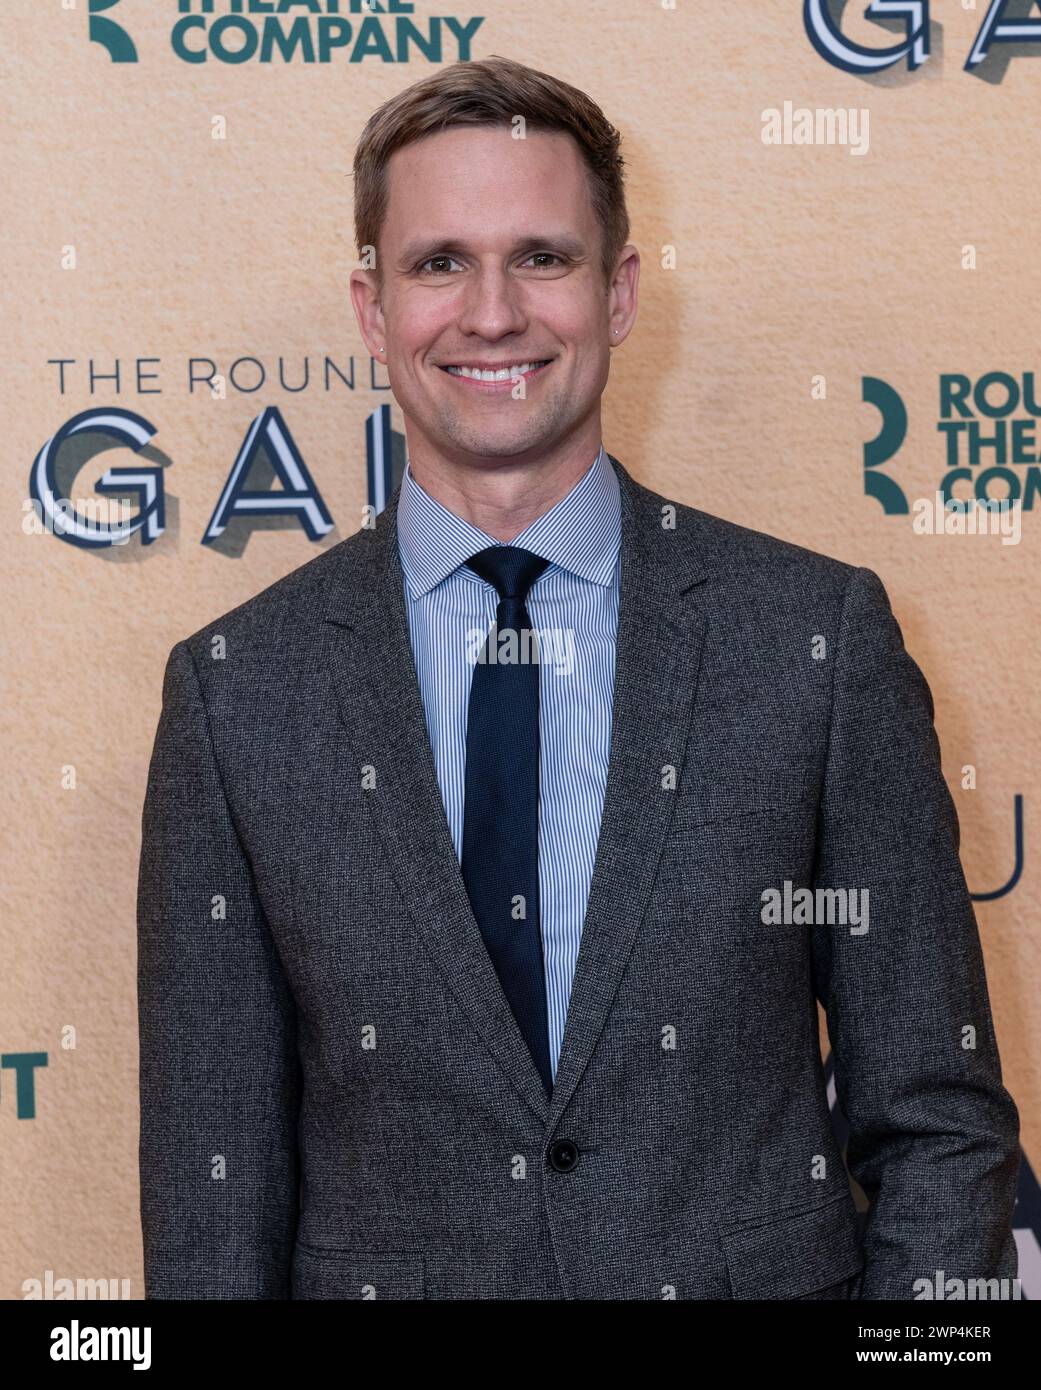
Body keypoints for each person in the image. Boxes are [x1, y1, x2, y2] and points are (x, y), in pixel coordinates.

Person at [137, 54, 1020, 1300]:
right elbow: (211, 1188)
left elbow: (939, 1121)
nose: (491, 312)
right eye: (438, 262)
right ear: (370, 307)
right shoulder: (238, 692)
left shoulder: (815, 642)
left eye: (542, 257)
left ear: (618, 294)